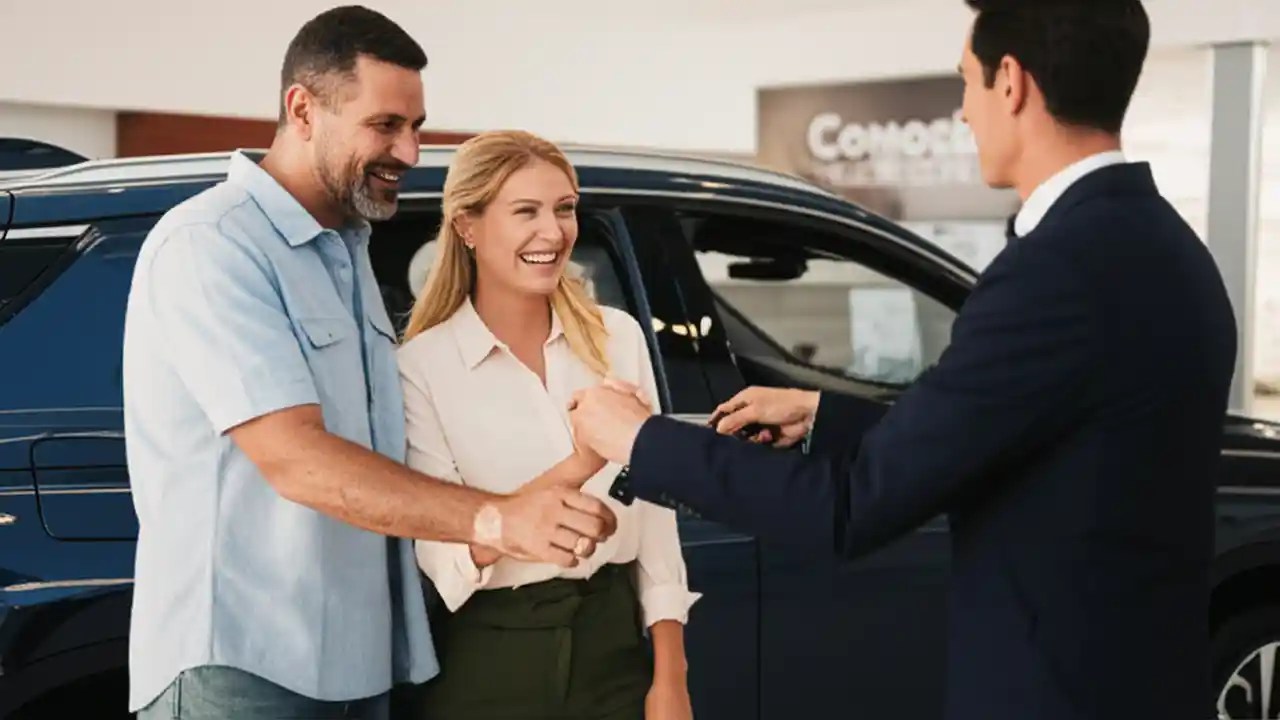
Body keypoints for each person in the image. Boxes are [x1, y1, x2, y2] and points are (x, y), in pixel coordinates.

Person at [568, 1, 1239, 719]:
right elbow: (1033, 443)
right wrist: (827, 417)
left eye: (967, 83)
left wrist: (642, 439)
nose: (963, 111)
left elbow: (852, 510)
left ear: (1009, 82)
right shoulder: (1169, 250)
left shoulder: (1054, 272)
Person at [122, 8, 616, 720]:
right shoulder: (211, 245)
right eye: (386, 125)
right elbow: (298, 460)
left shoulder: (346, 250)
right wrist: (496, 520)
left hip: (358, 666)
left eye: (415, 127)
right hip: (242, 665)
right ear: (302, 109)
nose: (411, 151)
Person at [395, 130, 698, 720]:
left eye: (564, 209)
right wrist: (581, 463)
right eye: (526, 211)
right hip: (488, 661)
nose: (554, 232)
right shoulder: (419, 369)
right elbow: (449, 562)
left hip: (616, 654)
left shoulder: (618, 339)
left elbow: (658, 530)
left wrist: (672, 678)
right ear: (467, 227)